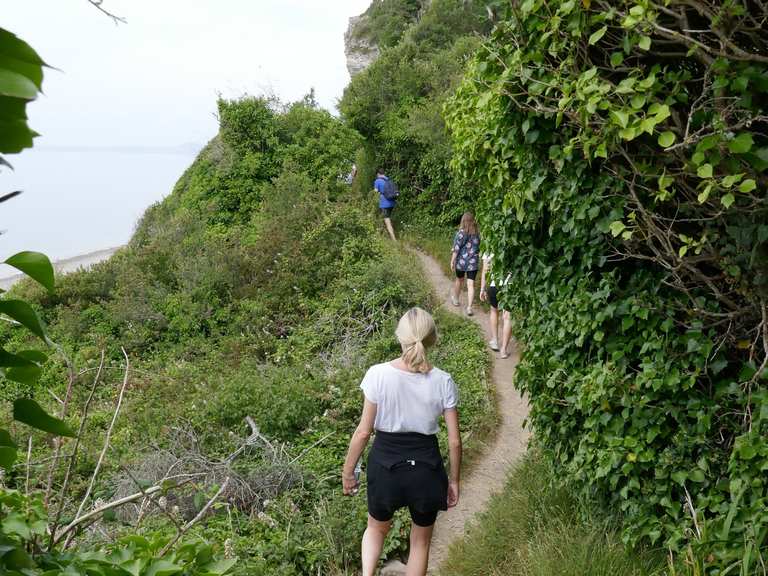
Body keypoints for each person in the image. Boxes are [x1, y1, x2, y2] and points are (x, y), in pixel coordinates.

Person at [342, 307, 462, 576]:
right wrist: (454, 481)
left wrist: (348, 471)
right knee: (420, 542)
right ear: (431, 339)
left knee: (376, 529)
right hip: (427, 469)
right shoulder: (443, 381)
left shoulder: (377, 374)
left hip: (385, 466)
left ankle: (367, 574)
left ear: (400, 337)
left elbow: (363, 432)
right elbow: (454, 441)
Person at [479, 252, 513, 359]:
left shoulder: (489, 249)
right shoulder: (513, 246)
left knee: (494, 311)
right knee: (507, 317)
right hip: (509, 287)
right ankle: (503, 350)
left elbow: (485, 270)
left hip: (494, 285)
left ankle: (495, 341)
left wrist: (482, 289)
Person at [450, 212, 480, 316]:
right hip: (473, 263)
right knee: (471, 284)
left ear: (463, 221)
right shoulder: (478, 233)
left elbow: (456, 249)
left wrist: (452, 261)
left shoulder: (461, 233)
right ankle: (469, 307)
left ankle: (456, 299)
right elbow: (480, 248)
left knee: (459, 280)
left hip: (461, 263)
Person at [373, 168, 397, 241]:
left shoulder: (377, 181)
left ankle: (394, 239)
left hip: (384, 204)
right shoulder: (389, 179)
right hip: (392, 202)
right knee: (385, 218)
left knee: (387, 220)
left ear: (378, 174)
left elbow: (375, 192)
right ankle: (382, 232)